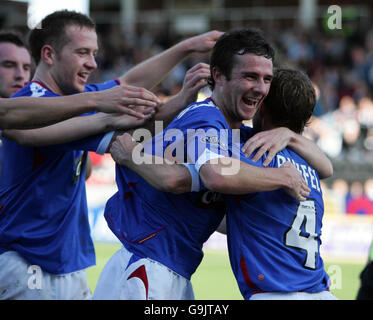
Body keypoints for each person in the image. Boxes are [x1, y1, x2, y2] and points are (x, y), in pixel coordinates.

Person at [94, 29, 332, 300]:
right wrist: (282, 177)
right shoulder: (206, 119)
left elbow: (326, 168)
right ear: (218, 76)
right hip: (148, 262)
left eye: (266, 79)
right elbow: (193, 177)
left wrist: (289, 135)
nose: (260, 88)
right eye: (250, 76)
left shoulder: (241, 139)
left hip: (173, 266)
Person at [0, 9, 221, 300]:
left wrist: (186, 54)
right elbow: (123, 128)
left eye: (94, 53)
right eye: (82, 52)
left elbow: (130, 84)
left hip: (65, 263)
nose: (92, 63)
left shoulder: (74, 99)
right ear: (50, 55)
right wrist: (109, 108)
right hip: (28, 262)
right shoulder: (36, 103)